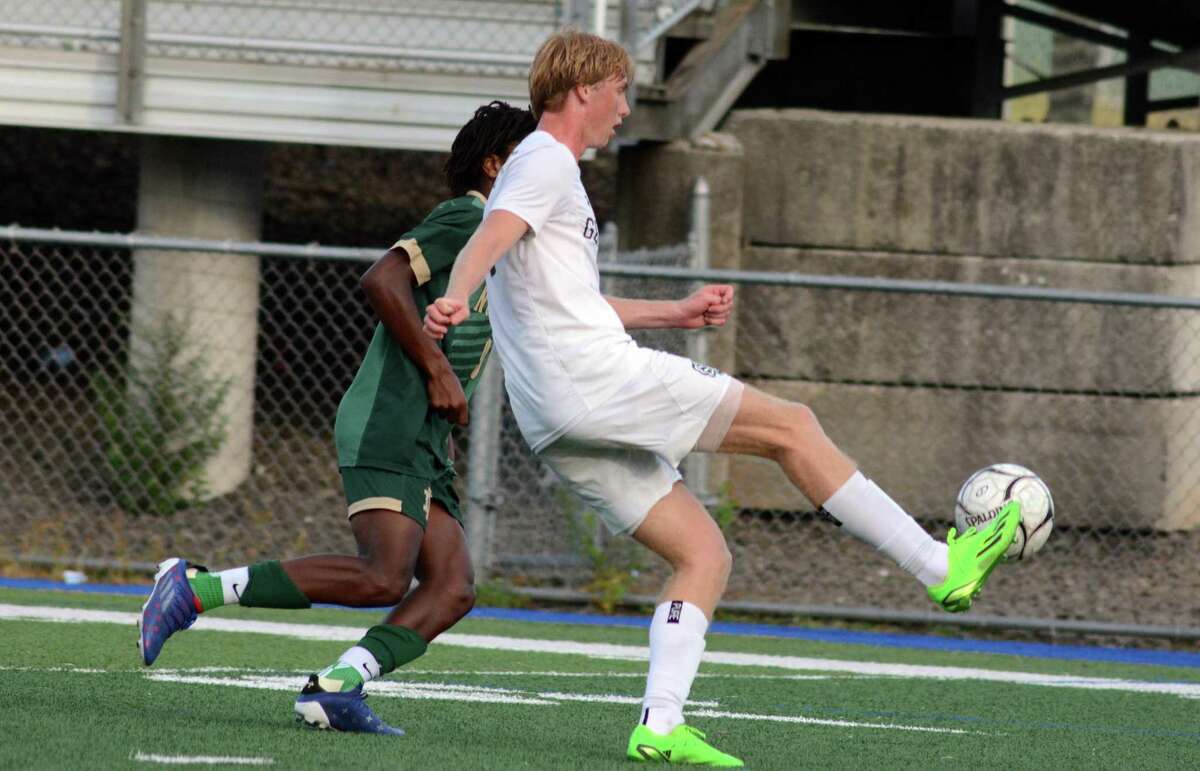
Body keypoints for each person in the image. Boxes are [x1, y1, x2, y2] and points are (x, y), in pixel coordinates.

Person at [424, 30, 1022, 766]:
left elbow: (567, 299)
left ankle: (660, 724)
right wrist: (455, 294)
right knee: (793, 427)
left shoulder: (548, 171)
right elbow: (492, 234)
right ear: (584, 88)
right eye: (620, 90)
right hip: (596, 381)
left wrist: (674, 312)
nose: (624, 107)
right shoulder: (544, 157)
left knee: (703, 553)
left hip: (555, 414)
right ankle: (940, 565)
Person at [138, 101, 539, 736]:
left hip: (424, 436)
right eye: (530, 154)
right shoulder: (468, 216)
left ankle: (338, 686)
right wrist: (437, 371)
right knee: (384, 576)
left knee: (453, 587)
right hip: (391, 417)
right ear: (494, 165)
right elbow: (383, 280)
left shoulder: (505, 241)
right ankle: (194, 590)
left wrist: (674, 313)